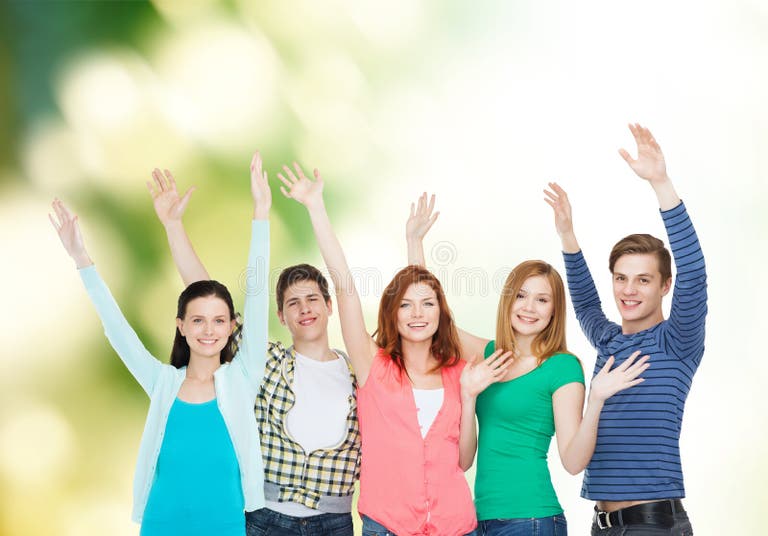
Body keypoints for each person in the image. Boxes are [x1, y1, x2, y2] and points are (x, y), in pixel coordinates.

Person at [277, 165, 514, 536]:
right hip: (386, 527)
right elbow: (344, 287)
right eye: (405, 306)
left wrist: (469, 398)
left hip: (457, 527)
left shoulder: (459, 374)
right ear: (392, 313)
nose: (417, 314)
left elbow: (464, 461)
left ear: (442, 312)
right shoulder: (374, 366)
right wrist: (315, 206)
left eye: (428, 305)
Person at [48, 153, 271, 535]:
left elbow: (257, 296)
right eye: (198, 320)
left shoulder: (243, 377)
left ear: (232, 326)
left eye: (219, 321)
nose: (208, 330)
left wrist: (261, 215)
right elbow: (119, 333)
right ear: (181, 327)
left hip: (224, 525)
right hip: (161, 523)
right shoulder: (164, 383)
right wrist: (81, 259)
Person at [406, 196, 649, 536]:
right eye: (521, 296)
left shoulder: (561, 367)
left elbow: (573, 461)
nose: (529, 307)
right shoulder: (489, 355)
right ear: (508, 300)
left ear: (553, 310)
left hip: (532, 519)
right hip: (480, 519)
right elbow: (433, 322)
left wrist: (595, 401)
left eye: (542, 299)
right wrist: (414, 243)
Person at [146, 163, 360, 535]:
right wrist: (173, 226)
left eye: (312, 299)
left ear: (329, 306)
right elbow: (205, 295)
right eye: (293, 303)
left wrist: (315, 206)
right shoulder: (264, 361)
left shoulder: (359, 374)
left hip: (334, 521)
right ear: (280, 314)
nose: (305, 308)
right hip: (266, 518)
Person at [544, 123, 707, 535]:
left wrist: (661, 183)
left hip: (652, 524)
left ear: (664, 285)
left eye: (643, 279)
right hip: (603, 525)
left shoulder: (677, 340)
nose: (629, 290)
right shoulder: (608, 341)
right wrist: (567, 235)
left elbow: (695, 272)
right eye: (621, 278)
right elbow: (583, 301)